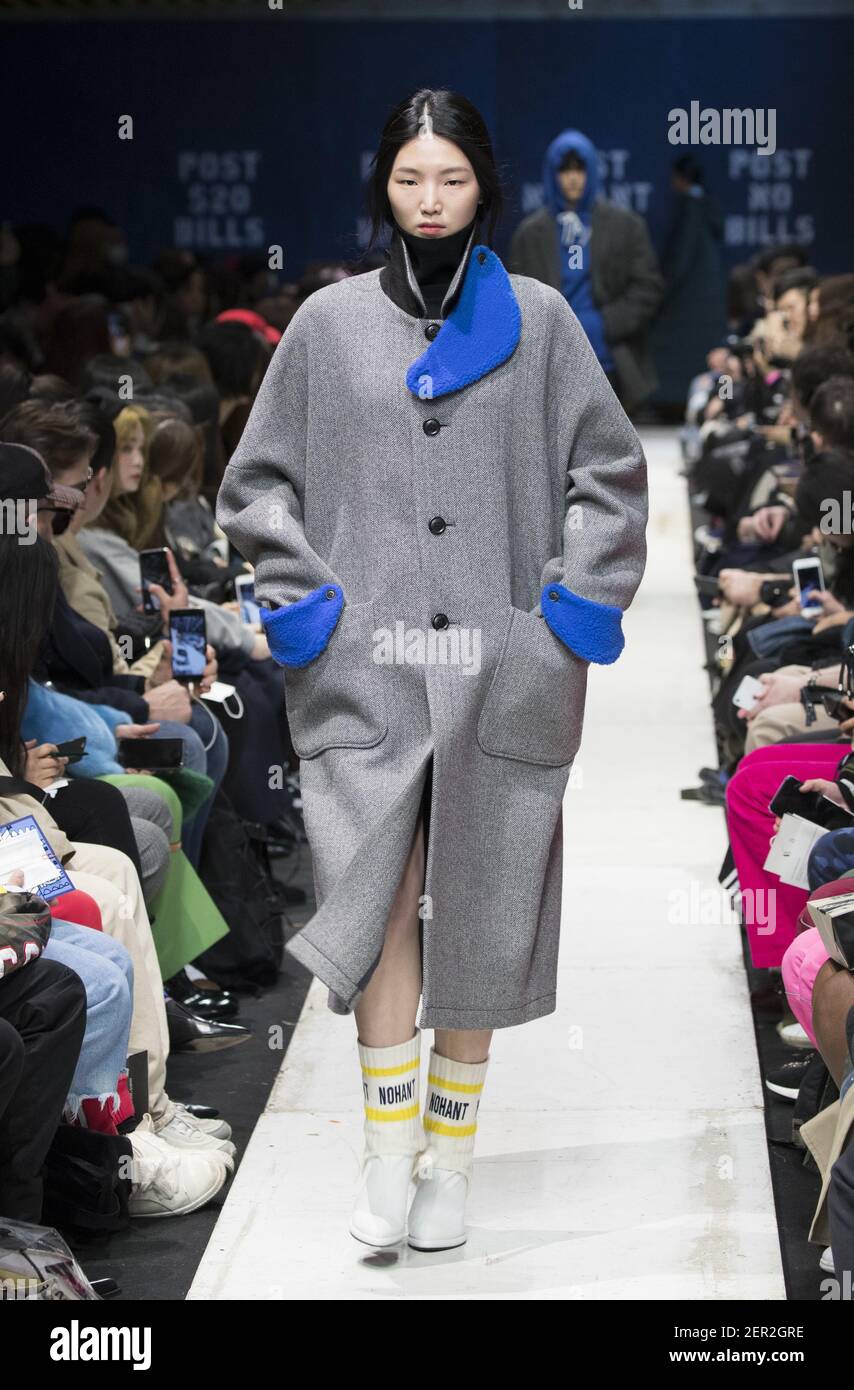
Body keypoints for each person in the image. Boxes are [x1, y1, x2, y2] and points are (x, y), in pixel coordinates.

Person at [216, 88, 648, 1252]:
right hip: (365, 668)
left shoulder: (545, 323)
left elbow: (608, 475)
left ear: (484, 188)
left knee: (479, 901)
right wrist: (309, 606)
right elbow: (257, 484)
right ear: (382, 187)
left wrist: (562, 616)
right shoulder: (326, 326)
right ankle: (386, 1151)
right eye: (408, 179)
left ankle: (449, 1166)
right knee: (377, 898)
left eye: (449, 180)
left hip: (498, 666)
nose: (427, 200)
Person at [508, 127, 663, 412]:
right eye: (564, 169)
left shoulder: (625, 226)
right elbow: (514, 298)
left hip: (611, 359)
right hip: (549, 363)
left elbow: (647, 288)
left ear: (592, 170)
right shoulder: (529, 234)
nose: (572, 177)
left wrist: (604, 324)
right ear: (551, 173)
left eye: (580, 168)